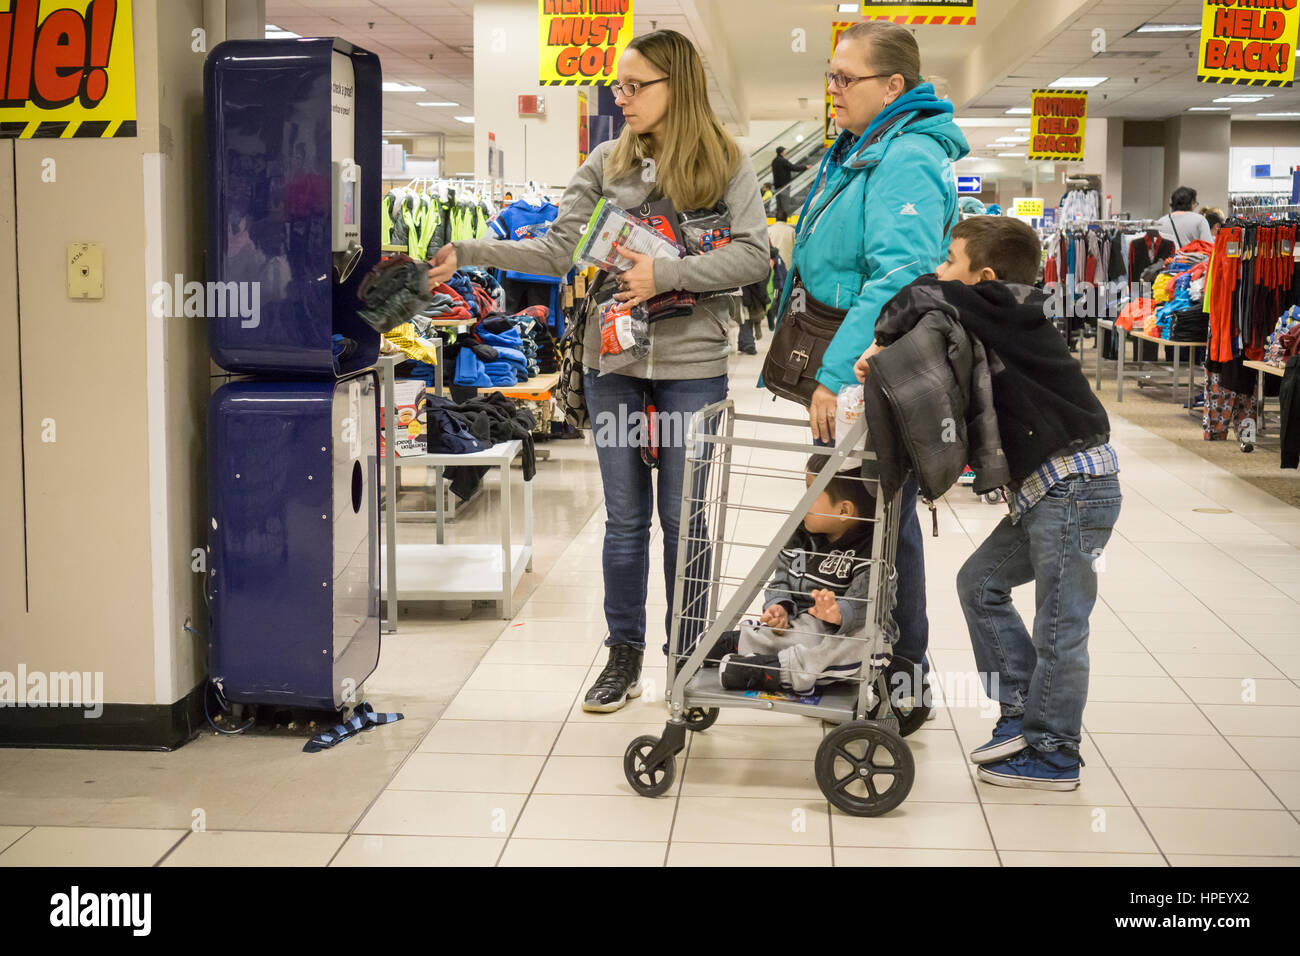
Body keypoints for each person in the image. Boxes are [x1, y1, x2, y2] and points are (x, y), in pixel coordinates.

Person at [427, 30, 769, 713]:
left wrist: (666, 271)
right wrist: (465, 247)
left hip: (692, 366)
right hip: (611, 363)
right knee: (624, 522)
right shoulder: (606, 163)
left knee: (684, 520)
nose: (622, 97)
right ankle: (623, 655)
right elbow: (557, 252)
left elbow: (755, 258)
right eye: (619, 86)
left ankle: (690, 657)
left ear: (678, 86)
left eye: (635, 86)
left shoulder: (726, 164)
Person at [862, 217, 1121, 790]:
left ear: (984, 277)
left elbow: (919, 295)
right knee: (979, 583)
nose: (941, 270)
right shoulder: (1001, 320)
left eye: (950, 259)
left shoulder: (1008, 307)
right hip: (1046, 492)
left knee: (1060, 626)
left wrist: (880, 340)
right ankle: (1022, 715)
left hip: (1074, 488)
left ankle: (1054, 754)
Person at [773, 19, 968, 678]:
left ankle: (900, 667)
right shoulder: (868, 146)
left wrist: (833, 375)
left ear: (892, 86)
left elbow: (897, 276)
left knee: (883, 521)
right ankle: (871, 654)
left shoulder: (906, 156)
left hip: (868, 369)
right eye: (829, 74)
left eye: (844, 77)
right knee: (879, 520)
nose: (832, 88)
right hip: (859, 361)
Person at [712, 455, 887, 695]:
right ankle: (739, 642)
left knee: (865, 643)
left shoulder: (870, 549)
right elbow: (782, 576)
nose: (802, 502)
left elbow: (873, 597)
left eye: (811, 495)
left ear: (844, 510)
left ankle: (772, 671)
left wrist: (841, 612)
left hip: (847, 635)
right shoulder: (802, 537)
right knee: (797, 634)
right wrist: (780, 605)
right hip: (805, 626)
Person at [771, 146, 807, 218]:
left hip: (777, 185)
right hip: (784, 185)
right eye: (784, 151)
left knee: (779, 204)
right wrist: (805, 167)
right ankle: (785, 218)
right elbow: (793, 167)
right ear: (782, 152)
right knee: (785, 204)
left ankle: (778, 219)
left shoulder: (774, 161)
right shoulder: (783, 161)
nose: (785, 152)